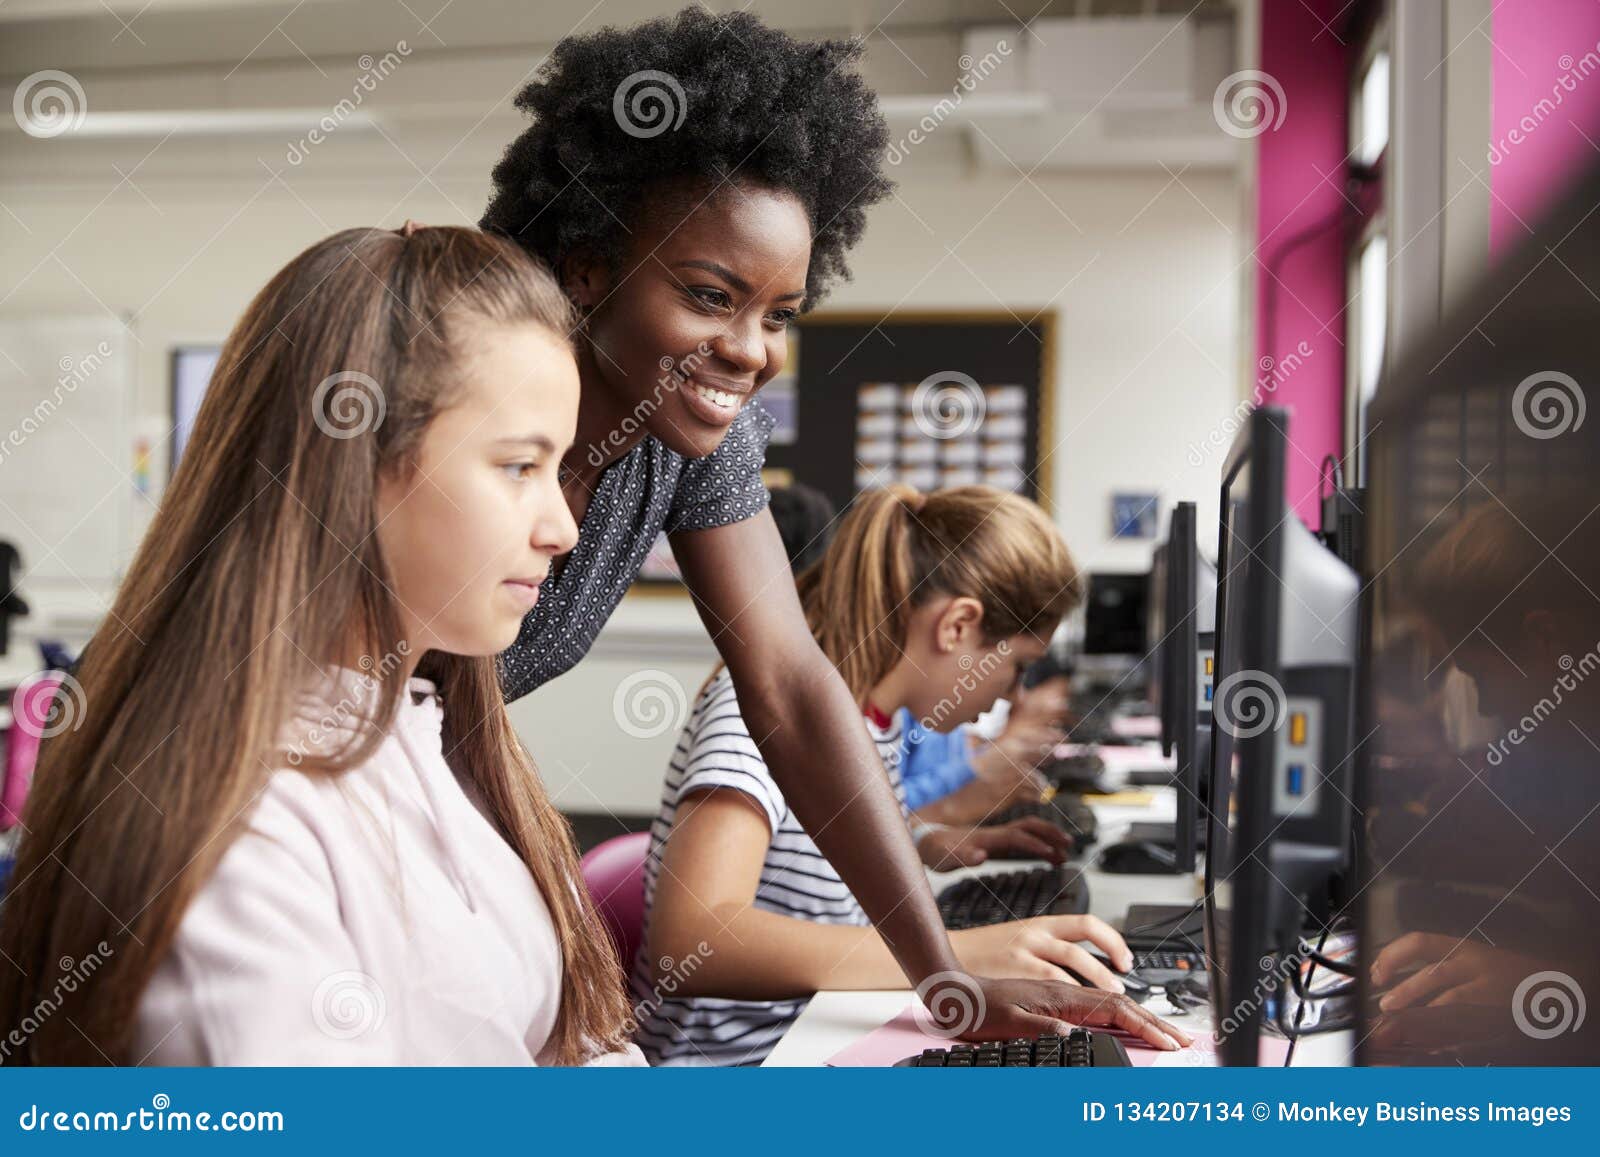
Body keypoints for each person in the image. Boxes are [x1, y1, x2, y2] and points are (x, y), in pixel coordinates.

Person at [479, 7, 1129, 1034]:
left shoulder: (694, 438)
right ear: (586, 264)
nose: (753, 352)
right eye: (709, 295)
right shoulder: (471, 412)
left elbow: (787, 681)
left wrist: (941, 977)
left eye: (778, 312)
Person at [0, 226, 638, 1066]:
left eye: (559, 471)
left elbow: (580, 1055)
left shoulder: (435, 741)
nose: (561, 528)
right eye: (520, 466)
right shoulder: (233, 839)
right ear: (356, 465)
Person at [631, 486, 1191, 1064]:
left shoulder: (876, 720)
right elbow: (694, 940)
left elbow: (818, 847)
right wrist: (957, 953)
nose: (1016, 692)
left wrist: (926, 839)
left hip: (818, 1035)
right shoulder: (757, 716)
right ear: (957, 626)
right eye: (1018, 665)